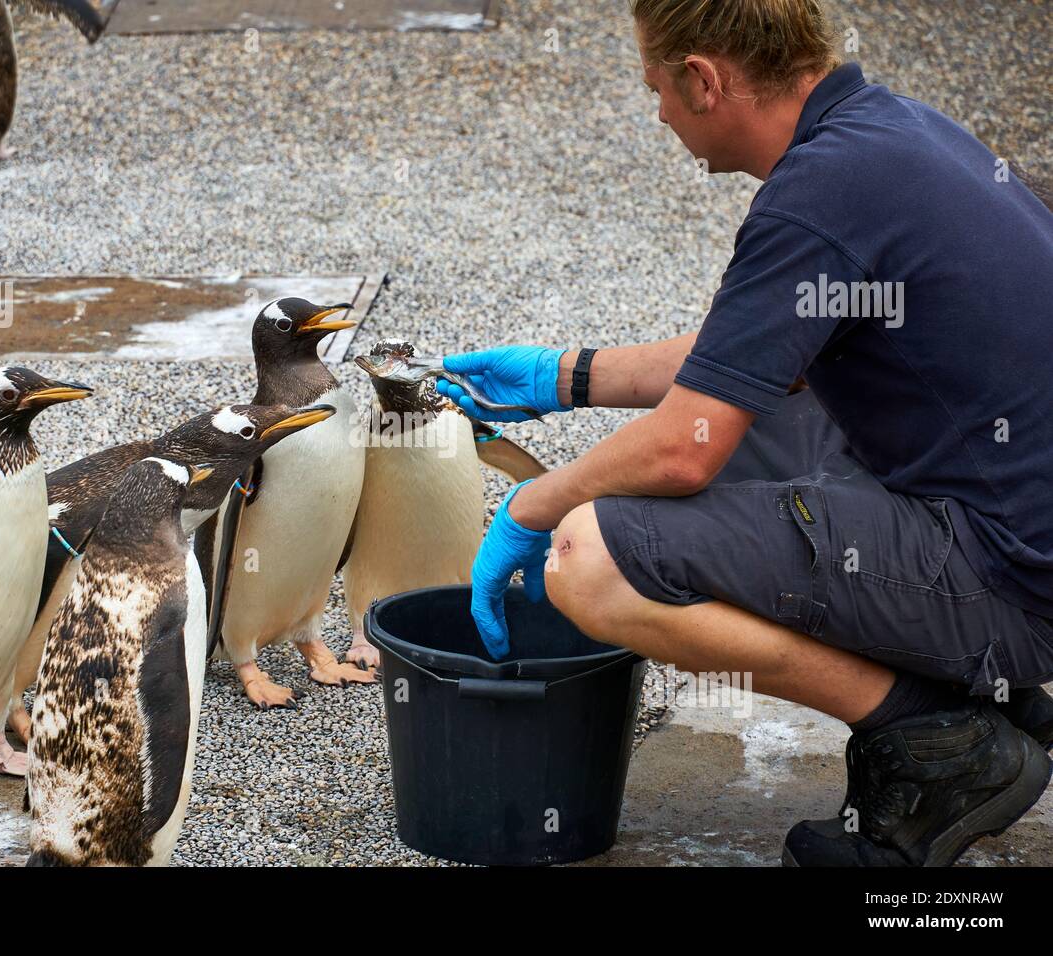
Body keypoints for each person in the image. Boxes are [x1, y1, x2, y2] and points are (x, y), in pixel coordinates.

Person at [438, 0, 1053, 867]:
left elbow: (684, 448)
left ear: (703, 79)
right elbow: (758, 362)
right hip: (1025, 534)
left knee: (591, 558)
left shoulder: (813, 199)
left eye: (656, 87)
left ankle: (935, 740)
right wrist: (562, 376)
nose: (657, 112)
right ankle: (982, 691)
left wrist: (535, 503)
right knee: (781, 417)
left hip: (1016, 582)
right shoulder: (892, 133)